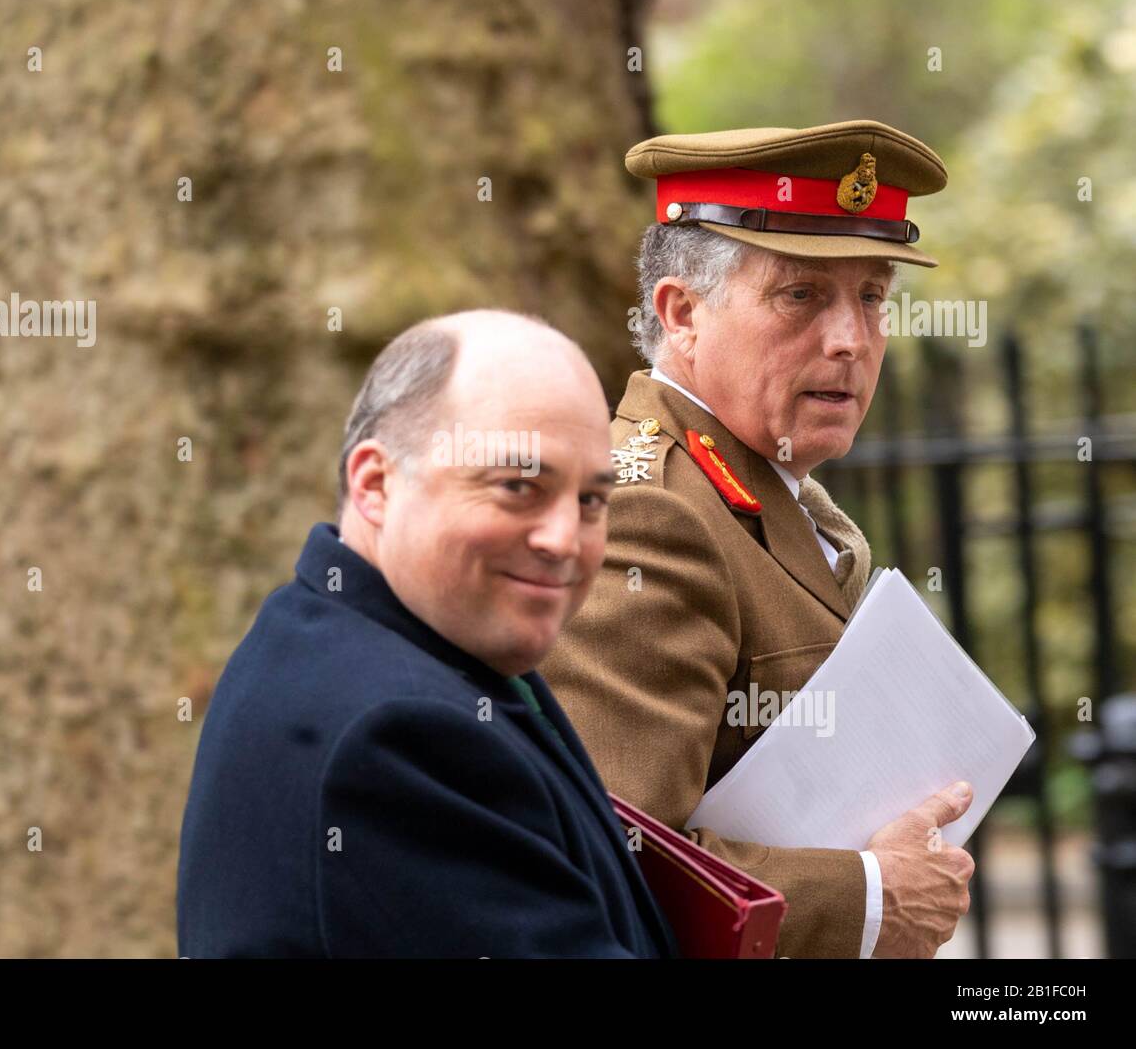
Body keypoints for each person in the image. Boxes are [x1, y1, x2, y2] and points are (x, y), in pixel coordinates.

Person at [541, 120, 976, 958]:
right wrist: (871, 897)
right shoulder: (652, 514)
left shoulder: (762, 486)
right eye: (801, 294)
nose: (851, 338)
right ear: (682, 314)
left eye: (872, 296)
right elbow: (609, 858)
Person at [177, 309, 675, 958]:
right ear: (376, 484)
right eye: (518, 485)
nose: (563, 540)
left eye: (590, 501)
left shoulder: (352, 629)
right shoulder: (398, 737)